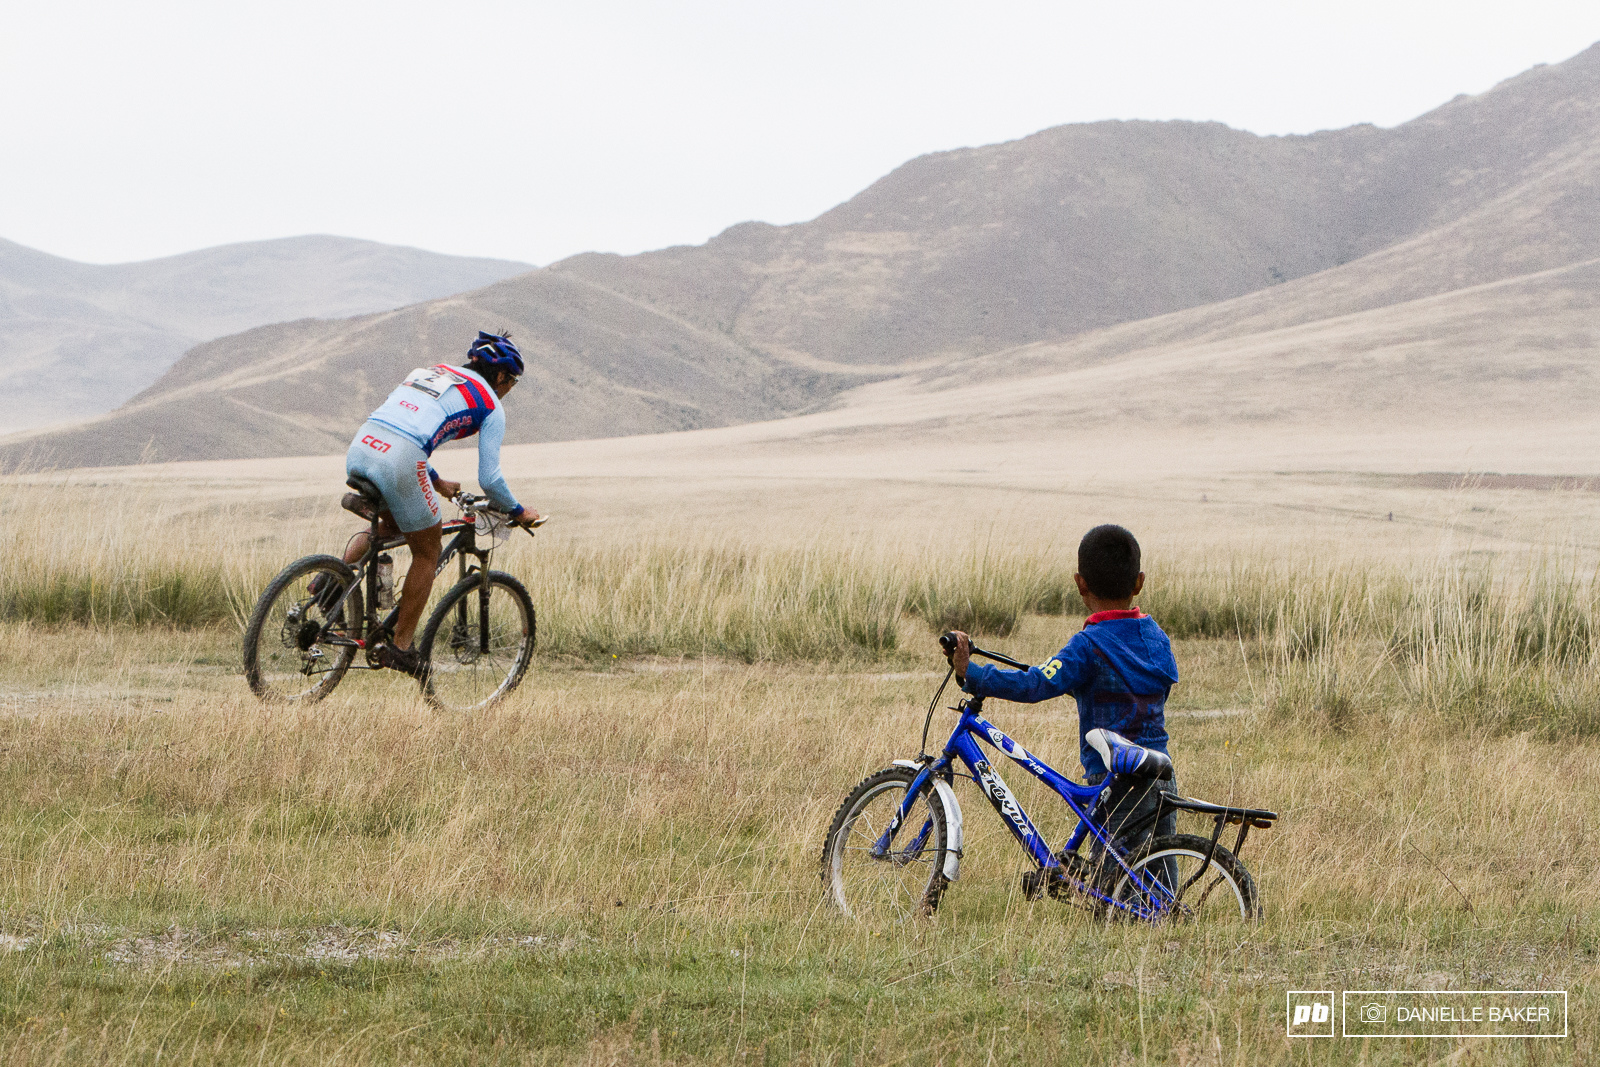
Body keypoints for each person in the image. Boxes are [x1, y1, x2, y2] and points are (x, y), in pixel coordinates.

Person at [943, 523, 1179, 887]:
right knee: (1161, 884)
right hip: (1161, 771)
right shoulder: (1157, 636)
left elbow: (1035, 684)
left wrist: (971, 673)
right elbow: (1156, 688)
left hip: (1115, 778)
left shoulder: (1089, 645)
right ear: (1139, 582)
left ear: (1080, 584)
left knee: (1115, 893)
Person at [335, 330, 540, 677]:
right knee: (428, 550)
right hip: (400, 458)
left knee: (393, 527)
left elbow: (402, 426)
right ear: (502, 376)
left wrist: (436, 481)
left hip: (362, 446)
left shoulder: (430, 372)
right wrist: (518, 511)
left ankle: (328, 587)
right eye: (513, 382)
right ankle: (400, 648)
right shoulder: (490, 402)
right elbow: (490, 479)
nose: (509, 389)